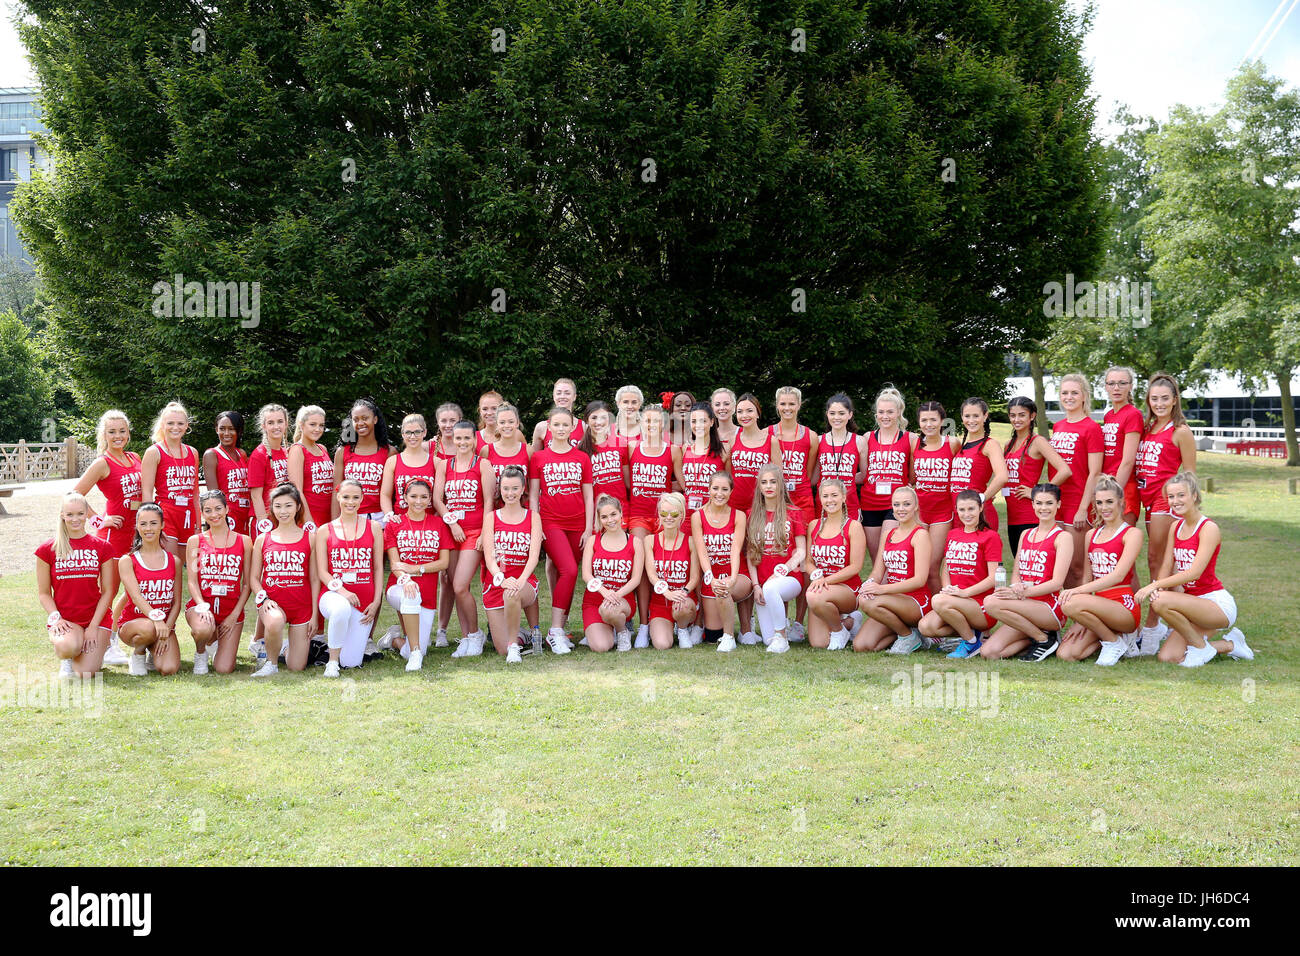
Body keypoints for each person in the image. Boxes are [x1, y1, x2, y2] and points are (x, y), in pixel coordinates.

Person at [1135, 471, 1252, 667]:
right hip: (1192, 603)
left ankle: (1200, 647)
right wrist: (1157, 587)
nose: (1175, 501)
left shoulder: (1208, 528)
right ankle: (1230, 645)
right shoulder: (1175, 527)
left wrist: (1151, 588)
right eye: (1171, 497)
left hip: (1216, 605)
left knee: (1160, 600)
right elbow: (1166, 566)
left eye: (1181, 495)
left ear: (1194, 496)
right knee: (1168, 657)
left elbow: (1194, 573)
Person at [1134, 372, 1197, 655]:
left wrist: (1179, 503)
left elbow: (1190, 473)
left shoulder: (1180, 430)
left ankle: (1154, 622)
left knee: (1158, 559)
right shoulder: (1148, 427)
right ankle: (1171, 614)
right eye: (1154, 398)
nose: (1159, 403)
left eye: (1165, 399)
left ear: (1174, 401)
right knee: (1158, 560)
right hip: (1144, 498)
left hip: (1165, 502)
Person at [73, 409, 142, 666]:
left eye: (122, 431)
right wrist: (98, 520)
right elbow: (74, 494)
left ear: (128, 433)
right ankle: (104, 646)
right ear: (104, 434)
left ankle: (112, 635)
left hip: (138, 533)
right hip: (114, 534)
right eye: (112, 431)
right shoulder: (102, 462)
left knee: (133, 587)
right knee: (109, 591)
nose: (118, 436)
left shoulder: (134, 457)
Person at [1057, 476, 1144, 665]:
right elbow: (1087, 578)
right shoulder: (1091, 534)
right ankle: (1117, 639)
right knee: (1067, 654)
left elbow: (1118, 575)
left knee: (1069, 602)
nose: (1104, 507)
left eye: (1109, 502)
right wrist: (1081, 620)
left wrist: (1076, 594)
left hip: (1123, 607)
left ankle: (1113, 642)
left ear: (1121, 502)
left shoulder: (1131, 534)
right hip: (1098, 607)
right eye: (1099, 502)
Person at [981, 483, 1072, 661]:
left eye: (1049, 503)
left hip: (1049, 608)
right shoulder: (1026, 534)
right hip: (1024, 605)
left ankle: (1043, 639)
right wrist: (1016, 588)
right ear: (1032, 504)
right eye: (1038, 503)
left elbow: (1057, 582)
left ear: (1058, 505)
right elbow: (1016, 573)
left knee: (991, 602)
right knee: (989, 653)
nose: (1043, 508)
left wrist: (1023, 592)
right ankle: (1037, 637)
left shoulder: (1063, 537)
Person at [530, 407, 594, 653]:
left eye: (565, 425)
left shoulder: (581, 457)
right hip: (551, 522)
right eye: (556, 425)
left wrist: (588, 527)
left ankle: (561, 629)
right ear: (549, 427)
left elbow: (588, 496)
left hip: (578, 523)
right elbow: (534, 495)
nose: (560, 429)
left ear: (572, 428)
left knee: (569, 573)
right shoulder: (539, 457)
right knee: (569, 570)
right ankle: (555, 631)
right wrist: (537, 525)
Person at [36, 492, 115, 678]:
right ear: (62, 515)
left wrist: (94, 626)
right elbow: (44, 593)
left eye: (80, 513)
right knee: (67, 648)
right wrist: (57, 618)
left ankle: (97, 648)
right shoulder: (48, 549)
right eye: (70, 514)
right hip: (67, 619)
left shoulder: (102, 547)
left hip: (95, 617)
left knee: (85, 673)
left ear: (87, 513)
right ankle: (69, 655)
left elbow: (108, 591)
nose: (75, 519)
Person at [918, 490, 1003, 659]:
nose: (967, 514)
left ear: (980, 508)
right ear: (956, 510)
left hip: (980, 604)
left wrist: (965, 593)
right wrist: (947, 588)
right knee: (926, 627)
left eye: (971, 509)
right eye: (962, 510)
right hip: (955, 599)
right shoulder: (953, 534)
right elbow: (947, 568)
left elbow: (994, 577)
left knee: (938, 601)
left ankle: (971, 644)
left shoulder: (990, 537)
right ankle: (970, 635)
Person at [435, 420, 495, 655]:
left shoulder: (483, 465)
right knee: (454, 584)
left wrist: (484, 533)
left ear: (474, 439)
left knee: (460, 586)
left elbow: (489, 501)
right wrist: (451, 522)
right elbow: (438, 500)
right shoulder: (444, 465)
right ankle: (466, 637)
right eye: (458, 438)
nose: (462, 442)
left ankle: (475, 634)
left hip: (474, 533)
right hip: (451, 533)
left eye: (466, 438)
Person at [314, 479, 383, 676]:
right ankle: (332, 662)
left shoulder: (374, 527)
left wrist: (376, 601)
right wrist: (343, 592)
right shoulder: (325, 530)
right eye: (345, 497)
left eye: (355, 497)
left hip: (364, 602)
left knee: (351, 662)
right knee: (341, 608)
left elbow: (378, 568)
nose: (350, 502)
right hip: (333, 595)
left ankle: (333, 651)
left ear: (362, 499)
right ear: (338, 497)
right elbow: (322, 572)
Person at [250, 484, 319, 676]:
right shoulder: (263, 539)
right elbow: (254, 578)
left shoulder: (310, 538)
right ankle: (271, 664)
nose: (283, 511)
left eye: (288, 505)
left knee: (296, 666)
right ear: (271, 508)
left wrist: (314, 614)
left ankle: (281, 647)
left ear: (298, 507)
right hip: (273, 604)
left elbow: (314, 579)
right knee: (274, 622)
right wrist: (264, 599)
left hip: (301, 607)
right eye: (278, 506)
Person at [382, 479, 451, 671]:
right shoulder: (395, 524)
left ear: (430, 499)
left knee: (423, 648)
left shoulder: (438, 524)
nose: (418, 501)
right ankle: (414, 655)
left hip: (427, 595)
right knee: (410, 596)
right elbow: (396, 564)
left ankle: (395, 640)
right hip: (399, 587)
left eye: (423, 497)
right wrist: (406, 578)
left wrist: (416, 568)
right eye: (413, 496)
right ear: (404, 498)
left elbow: (444, 562)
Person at [855, 486, 931, 653]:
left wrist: (880, 589)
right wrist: (869, 585)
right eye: (896, 505)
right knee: (861, 646)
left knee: (868, 602)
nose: (901, 509)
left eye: (906, 504)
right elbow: (877, 572)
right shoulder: (889, 533)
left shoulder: (920, 535)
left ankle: (906, 636)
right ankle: (913, 635)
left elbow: (919, 580)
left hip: (915, 601)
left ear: (916, 506)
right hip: (890, 600)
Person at [183, 491, 251, 675]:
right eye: (208, 510)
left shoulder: (244, 541)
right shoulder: (195, 541)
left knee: (224, 668)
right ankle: (201, 652)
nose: (214, 514)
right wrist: (202, 607)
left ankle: (217, 642)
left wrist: (234, 614)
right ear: (202, 513)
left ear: (227, 509)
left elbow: (247, 584)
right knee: (203, 628)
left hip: (231, 610)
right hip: (203, 607)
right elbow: (192, 582)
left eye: (218, 508)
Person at [481, 465, 543, 663]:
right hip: (498, 582)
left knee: (512, 594)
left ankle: (514, 646)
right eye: (506, 488)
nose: (510, 493)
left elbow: (533, 556)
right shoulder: (491, 517)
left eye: (515, 488)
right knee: (500, 649)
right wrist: (501, 578)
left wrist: (519, 580)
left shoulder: (533, 517)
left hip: (523, 582)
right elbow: (489, 556)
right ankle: (521, 635)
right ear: (500, 489)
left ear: (523, 488)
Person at [745, 463, 807, 653]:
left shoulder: (794, 513)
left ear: (781, 485)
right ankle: (780, 630)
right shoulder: (752, 515)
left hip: (790, 579)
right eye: (764, 482)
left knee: (772, 587)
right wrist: (756, 586)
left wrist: (781, 571)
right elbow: (751, 554)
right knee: (766, 639)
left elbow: (801, 552)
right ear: (759, 487)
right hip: (763, 584)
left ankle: (782, 637)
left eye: (773, 481)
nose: (769, 486)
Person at [116, 503, 184, 677]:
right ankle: (138, 654)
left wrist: (167, 628)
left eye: (153, 523)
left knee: (169, 668)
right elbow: (136, 596)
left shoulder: (173, 561)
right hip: (135, 625)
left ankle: (153, 651)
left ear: (162, 525)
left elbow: (176, 602)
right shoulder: (128, 560)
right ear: (137, 526)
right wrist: (157, 620)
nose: (148, 528)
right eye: (143, 524)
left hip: (163, 627)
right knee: (148, 628)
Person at [1050, 373, 1104, 587]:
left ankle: (1082, 613)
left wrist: (1084, 508)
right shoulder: (1059, 426)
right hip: (1058, 502)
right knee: (1061, 564)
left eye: (1074, 392)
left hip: (1078, 502)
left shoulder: (1091, 428)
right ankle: (1067, 613)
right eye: (1065, 393)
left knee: (1077, 564)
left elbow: (1095, 472)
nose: (1069, 397)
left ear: (1084, 396)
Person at [691, 471, 753, 651]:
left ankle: (729, 637)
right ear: (708, 489)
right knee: (711, 636)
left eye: (725, 489)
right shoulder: (698, 516)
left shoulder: (739, 515)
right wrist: (710, 577)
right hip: (713, 577)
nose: (719, 493)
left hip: (738, 574)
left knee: (725, 588)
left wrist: (732, 577)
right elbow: (702, 551)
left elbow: (735, 549)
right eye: (715, 488)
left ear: (731, 491)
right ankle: (709, 628)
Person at [1002, 396, 1071, 557]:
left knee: (1032, 566)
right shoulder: (1008, 444)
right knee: (1020, 564)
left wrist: (1037, 493)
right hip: (1012, 515)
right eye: (1013, 415)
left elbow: (1064, 470)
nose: (1016, 419)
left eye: (1021, 415)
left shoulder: (1037, 441)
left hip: (1029, 515)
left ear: (1032, 416)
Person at [804, 479, 866, 651]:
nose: (830, 500)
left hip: (847, 589)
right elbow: (808, 562)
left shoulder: (853, 527)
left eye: (834, 495)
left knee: (814, 595)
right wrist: (816, 575)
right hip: (822, 586)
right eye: (825, 496)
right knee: (819, 642)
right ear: (820, 499)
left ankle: (839, 631)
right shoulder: (814, 525)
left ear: (844, 498)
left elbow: (856, 566)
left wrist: (826, 581)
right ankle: (850, 623)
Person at [859, 386, 917, 561]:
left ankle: (889, 588)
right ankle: (882, 587)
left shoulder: (910, 438)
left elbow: (913, 476)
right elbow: (864, 473)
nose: (885, 416)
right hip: (869, 503)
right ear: (876, 414)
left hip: (895, 504)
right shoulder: (868, 437)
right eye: (881, 412)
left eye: (890, 412)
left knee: (889, 553)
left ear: (899, 412)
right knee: (877, 557)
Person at [581, 495, 643, 652]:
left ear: (621, 513)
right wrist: (604, 592)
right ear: (599, 519)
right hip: (594, 601)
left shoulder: (635, 541)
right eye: (604, 517)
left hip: (622, 600)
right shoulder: (593, 541)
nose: (610, 520)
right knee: (601, 647)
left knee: (610, 610)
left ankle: (622, 632)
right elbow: (586, 575)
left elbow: (636, 579)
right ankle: (608, 630)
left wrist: (616, 595)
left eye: (613, 514)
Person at [139, 401, 201, 558]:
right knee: (172, 565)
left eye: (180, 423)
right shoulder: (154, 452)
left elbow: (195, 493)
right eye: (170, 423)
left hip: (188, 515)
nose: (176, 427)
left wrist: (199, 525)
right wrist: (149, 523)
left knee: (192, 567)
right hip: (166, 514)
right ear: (162, 425)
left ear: (187, 425)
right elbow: (146, 491)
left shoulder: (192, 452)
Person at [913, 401, 960, 597]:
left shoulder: (952, 443)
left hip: (942, 513)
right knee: (918, 566)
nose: (929, 424)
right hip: (919, 512)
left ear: (942, 421)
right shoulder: (914, 443)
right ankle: (923, 610)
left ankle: (940, 611)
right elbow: (911, 477)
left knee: (932, 566)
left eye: (933, 419)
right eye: (924, 420)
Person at [643, 492, 699, 649]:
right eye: (663, 513)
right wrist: (667, 593)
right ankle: (663, 627)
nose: (668, 518)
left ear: (681, 515)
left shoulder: (690, 541)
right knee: (662, 644)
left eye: (674, 514)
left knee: (683, 607)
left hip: (683, 599)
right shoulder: (650, 540)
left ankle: (682, 629)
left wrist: (682, 592)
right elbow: (651, 574)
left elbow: (694, 577)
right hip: (660, 602)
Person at [949, 397, 1007, 531]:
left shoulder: (990, 444)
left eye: (976, 416)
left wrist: (982, 497)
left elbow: (1002, 476)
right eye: (967, 416)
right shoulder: (962, 446)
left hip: (979, 514)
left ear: (985, 416)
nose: (971, 420)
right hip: (959, 513)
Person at [334, 398, 393, 521]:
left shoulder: (389, 452)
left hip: (380, 518)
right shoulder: (342, 452)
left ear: (375, 419)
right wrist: (334, 524)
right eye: (356, 419)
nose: (360, 423)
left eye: (365, 418)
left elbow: (392, 494)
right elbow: (336, 492)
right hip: (349, 516)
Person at [1100, 366, 1143, 525]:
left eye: (1122, 383)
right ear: (1105, 386)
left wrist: (1114, 493)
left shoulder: (1133, 414)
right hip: (1106, 486)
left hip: (1124, 488)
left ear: (1131, 386)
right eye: (1111, 383)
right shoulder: (1109, 415)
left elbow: (1128, 461)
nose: (1116, 388)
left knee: (1122, 544)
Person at [813, 393, 865, 524]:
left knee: (850, 541)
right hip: (824, 503)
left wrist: (847, 478)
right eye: (832, 413)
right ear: (827, 414)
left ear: (850, 415)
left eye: (841, 413)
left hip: (850, 503)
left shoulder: (859, 441)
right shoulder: (818, 441)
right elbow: (814, 477)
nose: (837, 417)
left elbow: (865, 475)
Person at [728, 392, 780, 515]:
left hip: (761, 504)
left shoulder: (771, 441)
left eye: (749, 411)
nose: (744, 415)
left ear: (757, 413)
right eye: (740, 412)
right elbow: (729, 475)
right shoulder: (732, 440)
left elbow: (778, 477)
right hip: (735, 503)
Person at [580, 401, 629, 525]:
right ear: (586, 420)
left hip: (621, 509)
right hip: (596, 514)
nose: (599, 422)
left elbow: (628, 482)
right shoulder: (580, 450)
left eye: (603, 417)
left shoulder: (621, 443)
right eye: (594, 417)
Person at [203, 410, 251, 536]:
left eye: (231, 429)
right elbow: (213, 495)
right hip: (228, 516)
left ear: (239, 431)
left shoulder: (242, 454)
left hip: (245, 514)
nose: (226, 433)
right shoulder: (212, 454)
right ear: (216, 430)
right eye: (222, 429)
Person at [287, 405, 334, 528]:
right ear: (301, 425)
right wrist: (309, 522)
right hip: (310, 519)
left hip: (330, 517)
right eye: (312, 424)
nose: (318, 429)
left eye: (321, 425)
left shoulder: (322, 448)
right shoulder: (297, 450)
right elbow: (297, 490)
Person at [248, 403, 291, 535]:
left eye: (280, 422)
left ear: (286, 424)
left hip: (284, 519)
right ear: (264, 426)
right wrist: (264, 525)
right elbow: (256, 496)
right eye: (271, 423)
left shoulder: (287, 452)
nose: (276, 426)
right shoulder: (259, 455)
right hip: (266, 519)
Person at [680, 402, 727, 518]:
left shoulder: (724, 450)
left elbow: (729, 483)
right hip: (687, 512)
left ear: (711, 422)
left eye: (703, 421)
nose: (698, 425)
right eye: (694, 421)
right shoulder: (685, 449)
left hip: (713, 512)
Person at [531, 378, 586, 450]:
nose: (562, 396)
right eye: (559, 393)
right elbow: (534, 457)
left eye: (567, 393)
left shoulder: (584, 427)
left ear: (574, 397)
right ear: (554, 396)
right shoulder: (542, 427)